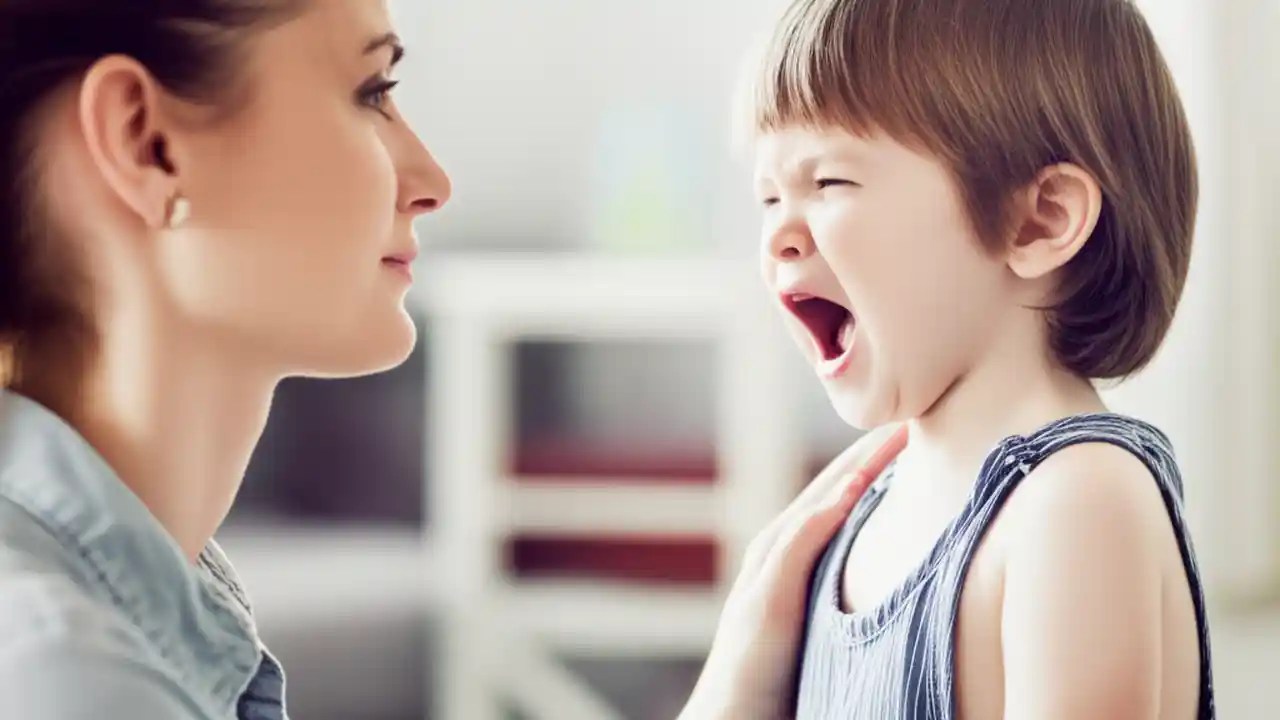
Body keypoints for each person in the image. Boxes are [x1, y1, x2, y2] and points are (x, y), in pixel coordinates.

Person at [0, 2, 856, 718]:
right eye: (371, 91)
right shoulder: (65, 673)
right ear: (147, 142)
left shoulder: (125, 618)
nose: (433, 177)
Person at [741, 0, 1215, 717]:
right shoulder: (861, 515)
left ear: (1041, 218)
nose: (779, 234)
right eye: (769, 196)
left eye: (828, 183)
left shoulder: (1075, 500)